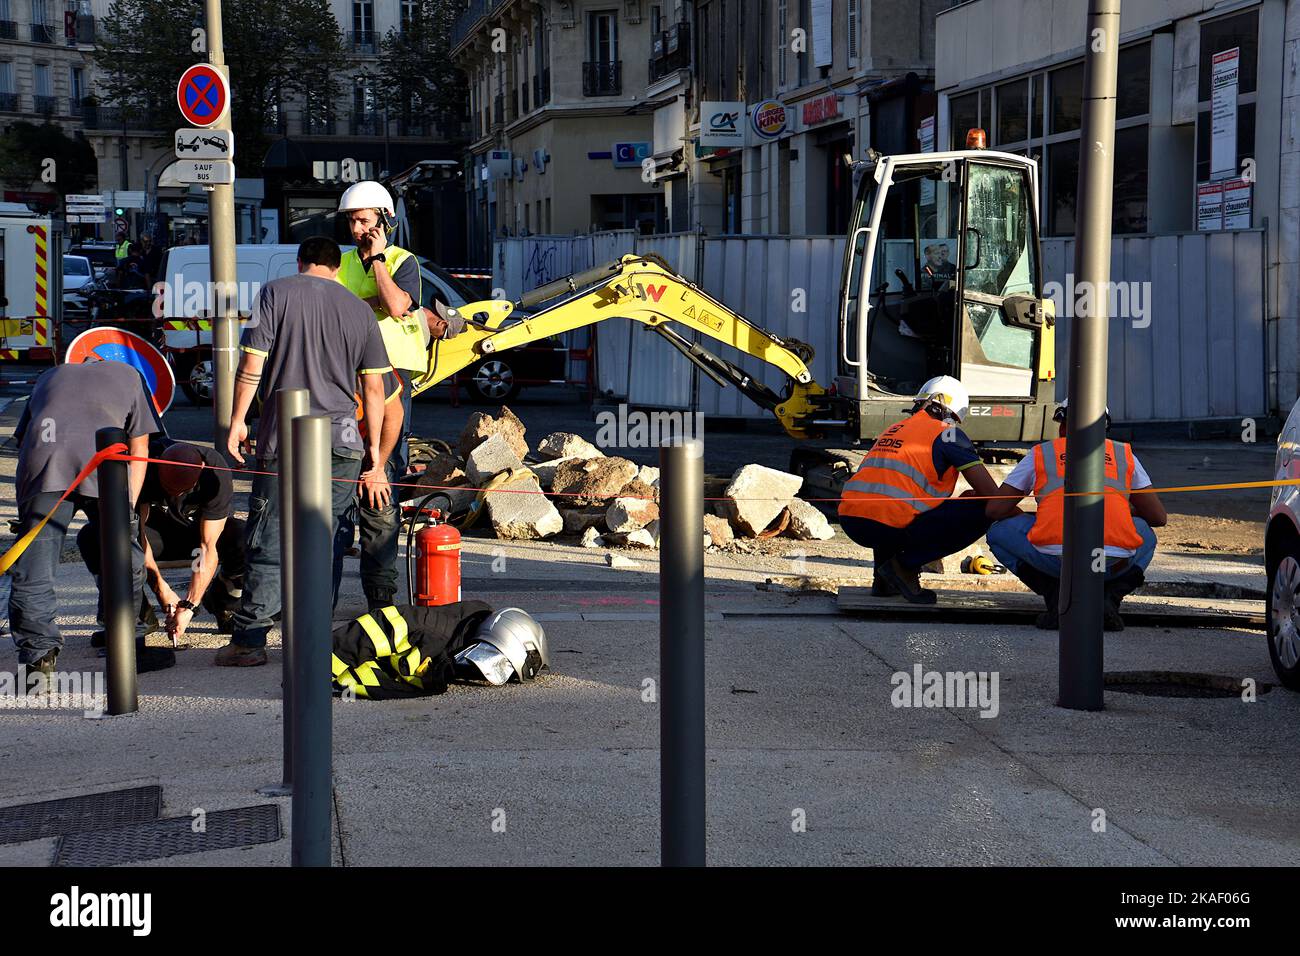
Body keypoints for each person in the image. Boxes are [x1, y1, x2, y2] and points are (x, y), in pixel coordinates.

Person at [218, 235, 392, 667]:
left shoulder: (274, 293)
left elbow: (251, 366)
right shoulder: (358, 309)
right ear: (336, 267)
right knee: (327, 539)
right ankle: (313, 640)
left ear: (301, 263)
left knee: (270, 538)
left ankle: (250, 641)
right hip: (343, 442)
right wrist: (373, 452)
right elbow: (375, 388)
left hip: (285, 439)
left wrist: (238, 421)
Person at [8, 361, 172, 687]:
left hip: (44, 470)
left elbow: (25, 439)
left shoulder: (49, 374)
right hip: (104, 469)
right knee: (124, 558)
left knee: (34, 567)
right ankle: (129, 648)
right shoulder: (130, 375)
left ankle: (36, 662)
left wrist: (26, 506)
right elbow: (140, 446)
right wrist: (127, 509)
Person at [985, 400, 1165, 630]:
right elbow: (1158, 517)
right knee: (1145, 534)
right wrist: (1125, 509)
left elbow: (994, 510)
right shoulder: (1123, 454)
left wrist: (1031, 516)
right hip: (1109, 564)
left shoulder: (1042, 453)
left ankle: (1057, 600)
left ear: (1062, 425)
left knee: (999, 532)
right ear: (1105, 428)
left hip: (1057, 561)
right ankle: (1108, 599)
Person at [838, 375, 1002, 604]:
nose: (953, 424)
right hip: (886, 523)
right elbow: (993, 496)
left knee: (890, 507)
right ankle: (903, 567)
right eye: (954, 418)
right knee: (984, 508)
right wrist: (1020, 517)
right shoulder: (948, 433)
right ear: (947, 410)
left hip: (852, 519)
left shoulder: (894, 429)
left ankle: (883, 580)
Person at [78, 440, 245, 642]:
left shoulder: (215, 471)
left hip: (195, 534)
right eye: (168, 488)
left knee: (242, 535)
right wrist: (161, 589)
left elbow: (207, 546)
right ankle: (138, 614)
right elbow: (136, 537)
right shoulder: (143, 465)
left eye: (182, 491)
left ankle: (224, 603)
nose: (174, 495)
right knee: (95, 537)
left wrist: (190, 605)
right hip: (153, 537)